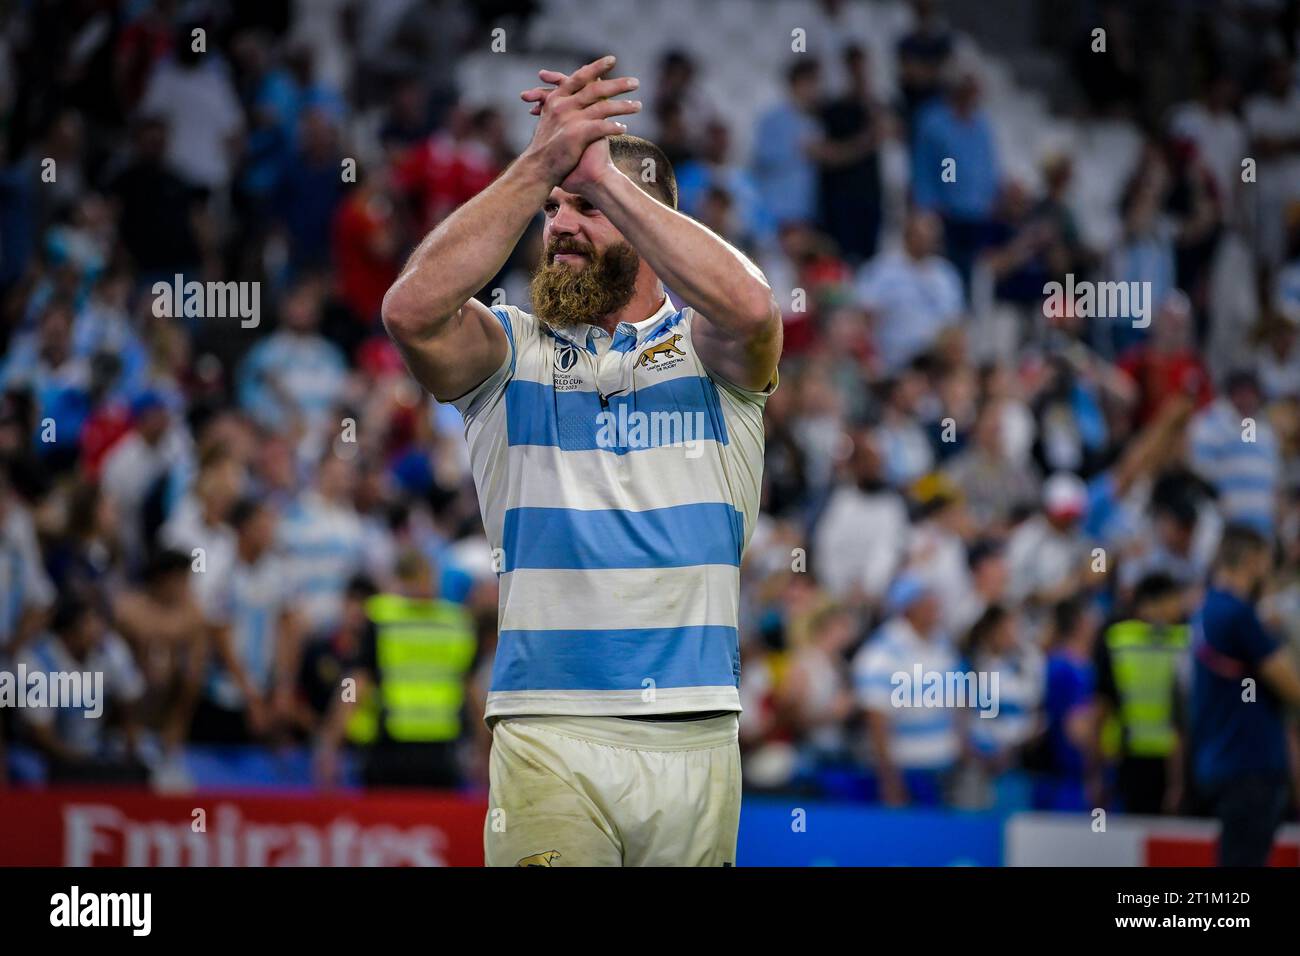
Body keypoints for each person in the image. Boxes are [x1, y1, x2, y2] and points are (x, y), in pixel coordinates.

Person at [381, 55, 781, 866]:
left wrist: (605, 177)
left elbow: (751, 306)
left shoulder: (712, 357)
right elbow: (411, 312)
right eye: (553, 209)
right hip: (547, 730)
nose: (558, 225)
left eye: (585, 209)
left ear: (642, 224)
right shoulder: (509, 351)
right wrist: (541, 165)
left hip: (696, 732)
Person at [317, 550, 476, 788]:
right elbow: (473, 691)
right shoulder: (455, 622)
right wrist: (485, 749)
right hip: (440, 754)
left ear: (398, 579)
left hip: (390, 753)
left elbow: (354, 683)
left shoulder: (381, 618)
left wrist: (332, 741)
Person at [1190, 525, 1300, 866]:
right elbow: (1291, 686)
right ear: (1253, 561)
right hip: (1250, 763)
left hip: (1220, 758)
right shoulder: (1239, 615)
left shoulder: (1206, 609)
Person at [1093, 572, 1189, 815]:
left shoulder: (1115, 638)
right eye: (1173, 600)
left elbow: (1101, 706)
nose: (1179, 607)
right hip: (1172, 759)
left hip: (1129, 754)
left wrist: (1095, 772)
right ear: (1150, 604)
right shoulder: (1184, 641)